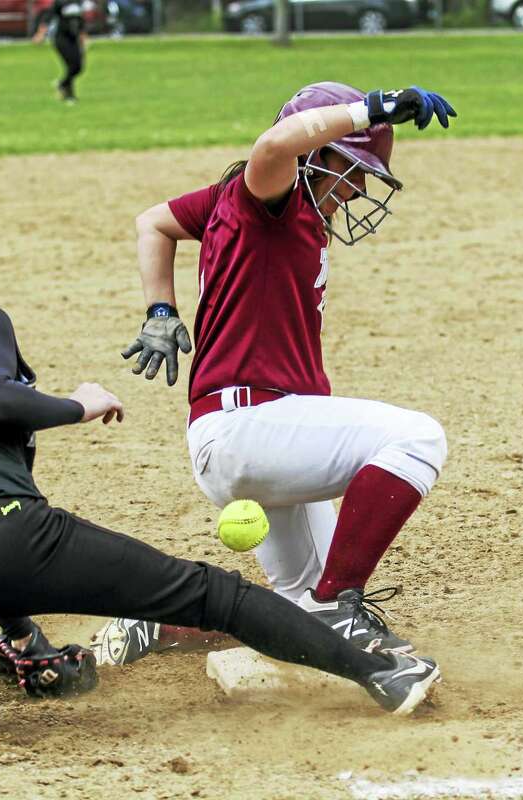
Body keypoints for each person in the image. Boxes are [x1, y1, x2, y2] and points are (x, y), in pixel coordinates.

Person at [0, 248, 441, 731]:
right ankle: (380, 674)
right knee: (213, 593)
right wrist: (82, 403)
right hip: (3, 536)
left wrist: (21, 633)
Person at [100, 83, 456, 665]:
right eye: (351, 165)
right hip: (251, 425)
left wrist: (161, 311)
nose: (360, 186)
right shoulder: (267, 197)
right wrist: (374, 106)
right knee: (416, 437)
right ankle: (343, 601)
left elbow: (153, 223)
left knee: (297, 613)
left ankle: (155, 630)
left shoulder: (235, 202)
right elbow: (272, 145)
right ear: (314, 153)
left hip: (255, 431)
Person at [32, 0, 87, 104]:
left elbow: (80, 20)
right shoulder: (60, 2)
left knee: (79, 67)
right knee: (71, 65)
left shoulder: (79, 2)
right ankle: (70, 95)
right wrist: (41, 33)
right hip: (61, 39)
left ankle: (62, 84)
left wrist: (83, 36)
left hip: (73, 38)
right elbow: (48, 17)